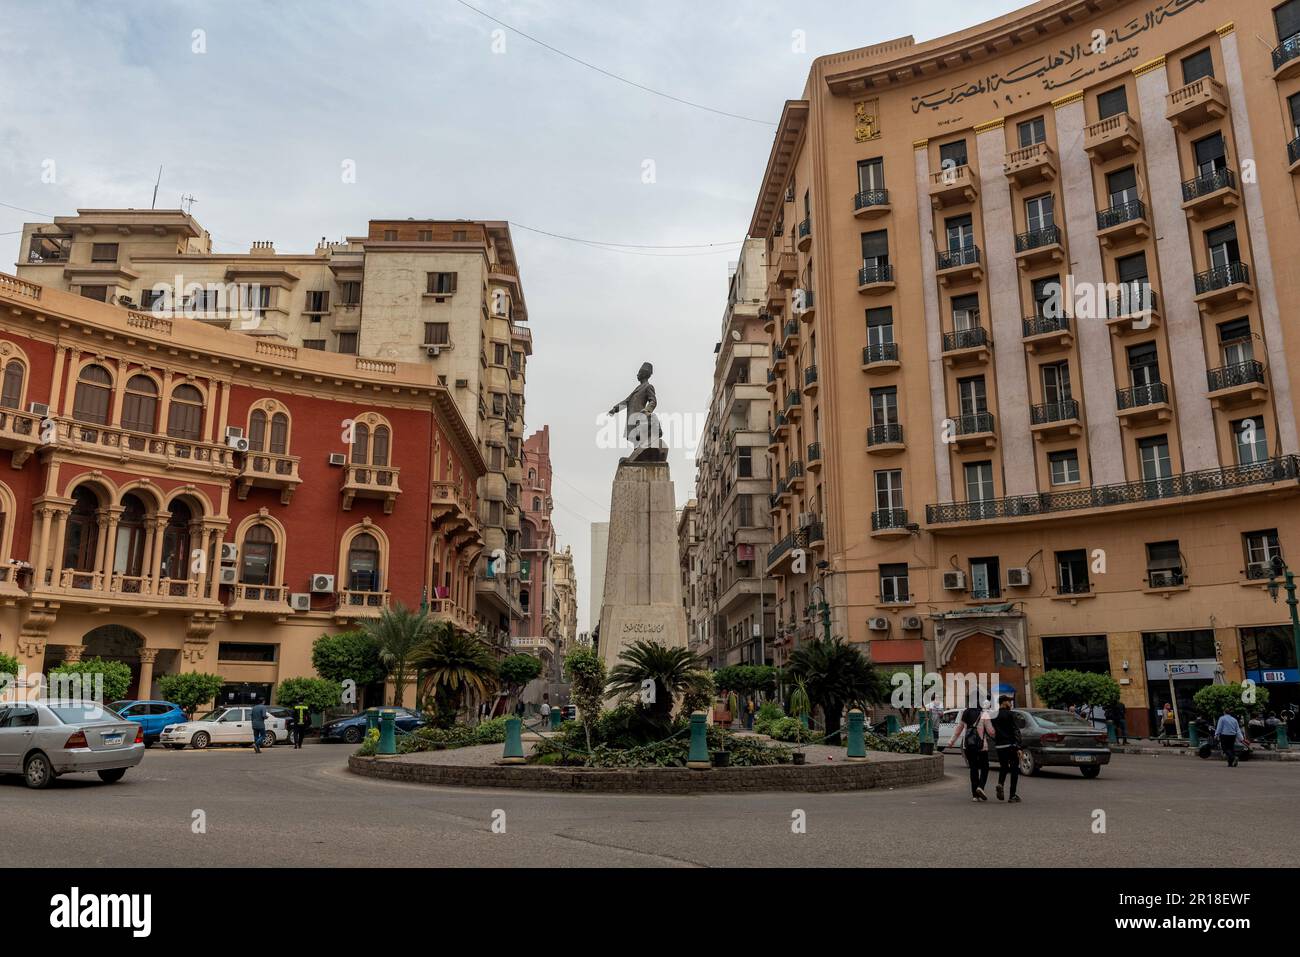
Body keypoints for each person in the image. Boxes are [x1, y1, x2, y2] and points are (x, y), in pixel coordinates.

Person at [949, 698, 994, 801]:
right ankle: (980, 787)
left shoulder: (965, 713)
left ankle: (975, 795)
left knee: (973, 768)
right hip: (982, 746)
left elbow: (958, 730)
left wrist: (951, 741)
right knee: (985, 767)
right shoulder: (984, 713)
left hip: (968, 745)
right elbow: (991, 731)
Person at [990, 695, 1022, 803]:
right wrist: (1018, 747)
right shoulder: (1010, 714)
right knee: (1014, 769)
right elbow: (1016, 731)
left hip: (999, 746)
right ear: (1004, 702)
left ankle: (1000, 783)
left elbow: (990, 731)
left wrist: (996, 740)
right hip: (1010, 745)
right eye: (1009, 701)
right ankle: (1012, 795)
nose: (1011, 703)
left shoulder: (994, 716)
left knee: (1003, 767)